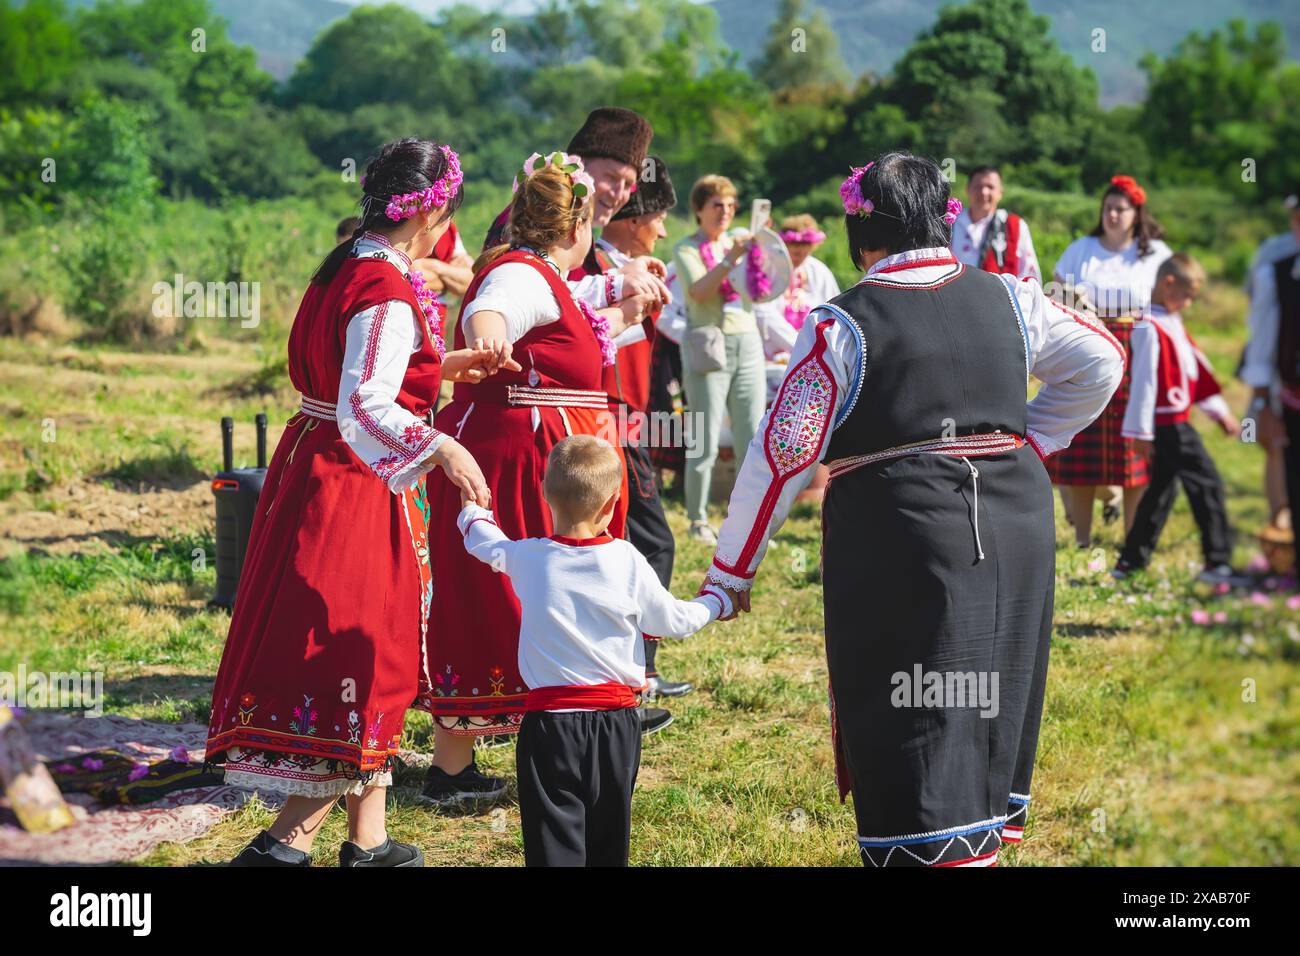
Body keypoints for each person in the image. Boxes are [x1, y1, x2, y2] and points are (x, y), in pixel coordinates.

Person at [702, 152, 1123, 866]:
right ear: (940, 219)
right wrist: (1025, 441)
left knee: (916, 704)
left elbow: (785, 452)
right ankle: (980, 841)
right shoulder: (1010, 296)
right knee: (987, 683)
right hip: (1018, 524)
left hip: (906, 534)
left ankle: (935, 848)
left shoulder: (842, 324)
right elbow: (1102, 360)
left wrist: (732, 571)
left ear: (861, 235)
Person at [206, 139, 509, 867]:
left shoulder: (344, 266)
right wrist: (444, 446)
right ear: (433, 209)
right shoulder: (387, 291)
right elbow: (366, 403)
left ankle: (368, 840)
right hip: (350, 484)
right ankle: (281, 846)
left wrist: (439, 366)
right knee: (360, 649)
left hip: (314, 464)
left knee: (365, 647)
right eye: (448, 215)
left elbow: (355, 375)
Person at [418, 154, 657, 808]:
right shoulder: (521, 276)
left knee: (507, 596)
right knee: (510, 600)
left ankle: (458, 766)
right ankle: (482, 764)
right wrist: (488, 340)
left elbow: (572, 321)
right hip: (519, 464)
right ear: (574, 226)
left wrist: (626, 298)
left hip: (530, 458)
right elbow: (493, 311)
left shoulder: (546, 275)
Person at [458, 436, 731, 865]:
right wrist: (719, 600)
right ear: (611, 506)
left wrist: (472, 507)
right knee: (609, 835)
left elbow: (483, 541)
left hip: (548, 728)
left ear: (545, 493)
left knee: (552, 842)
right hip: (618, 726)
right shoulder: (626, 559)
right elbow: (674, 621)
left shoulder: (530, 557)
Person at [596, 156, 694, 701]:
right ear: (636, 222)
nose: (662, 230)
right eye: (658, 219)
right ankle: (637, 668)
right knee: (651, 542)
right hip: (609, 418)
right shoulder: (596, 268)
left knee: (642, 540)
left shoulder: (625, 267)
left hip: (628, 418)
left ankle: (637, 664)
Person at [1047, 175, 1172, 547]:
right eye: (1108, 208)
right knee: (1085, 438)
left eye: (1121, 209)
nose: (1113, 215)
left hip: (1138, 348)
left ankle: (1131, 537)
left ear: (1136, 214)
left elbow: (1169, 299)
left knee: (1131, 441)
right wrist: (1073, 300)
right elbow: (1056, 287)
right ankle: (1083, 539)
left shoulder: (1154, 254)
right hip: (1089, 346)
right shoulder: (1082, 248)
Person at [1114, 254, 1238, 580]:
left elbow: (1194, 368)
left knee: (1160, 492)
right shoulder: (1148, 325)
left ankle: (1130, 562)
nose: (1190, 303)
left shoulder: (1172, 321)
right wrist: (1140, 433)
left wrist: (1219, 412)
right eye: (1188, 294)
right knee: (1206, 483)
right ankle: (1218, 561)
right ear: (1168, 284)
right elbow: (1143, 382)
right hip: (1168, 425)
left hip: (1175, 421)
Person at [673, 174, 768, 545]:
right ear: (699, 209)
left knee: (751, 437)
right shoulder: (686, 248)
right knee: (704, 437)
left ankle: (747, 524)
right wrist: (730, 260)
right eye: (717, 205)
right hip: (707, 344)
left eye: (730, 205)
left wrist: (765, 251)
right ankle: (697, 519)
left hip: (747, 341)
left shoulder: (739, 243)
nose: (725, 212)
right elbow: (697, 292)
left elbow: (762, 290)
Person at [1241, 187, 1300, 581]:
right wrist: (1261, 406)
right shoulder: (1275, 274)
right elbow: (1261, 343)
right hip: (1291, 398)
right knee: (1290, 472)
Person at [755, 214, 841, 365]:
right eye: (794, 253)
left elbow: (834, 310)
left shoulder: (819, 271)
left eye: (804, 253)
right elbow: (763, 312)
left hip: (813, 355)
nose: (799, 258)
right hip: (772, 356)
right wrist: (799, 346)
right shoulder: (768, 270)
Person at [950, 166, 1041, 281]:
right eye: (978, 187)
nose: (984, 192)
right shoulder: (950, 222)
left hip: (999, 296)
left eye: (990, 187)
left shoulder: (1014, 225)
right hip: (955, 294)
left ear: (1000, 192)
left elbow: (1029, 273)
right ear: (967, 189)